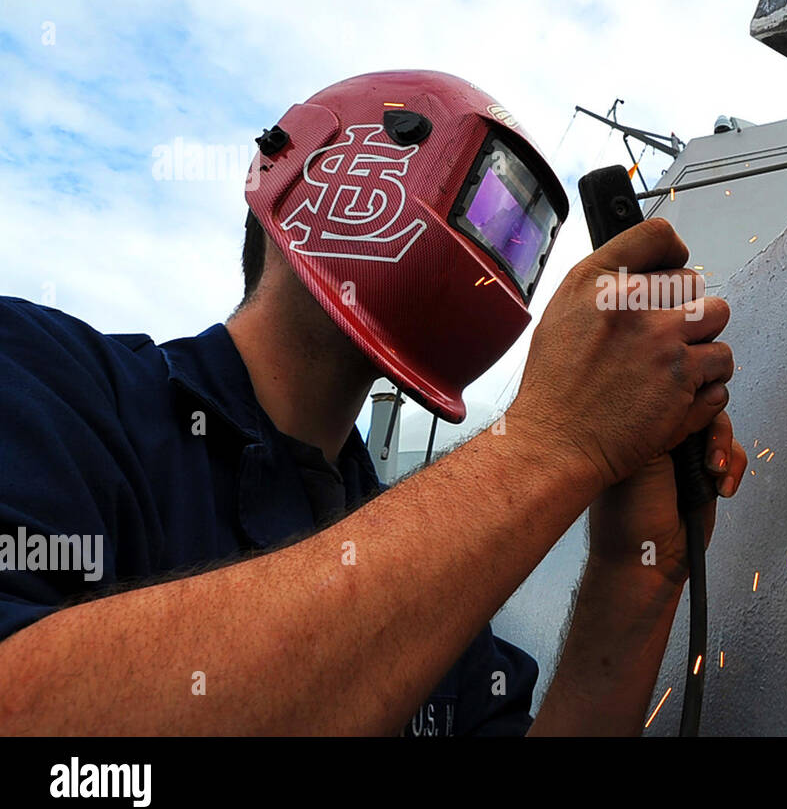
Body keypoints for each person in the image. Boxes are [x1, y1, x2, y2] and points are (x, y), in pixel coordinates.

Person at [0, 70, 745, 736]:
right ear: (311, 162)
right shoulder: (44, 380)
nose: (499, 246)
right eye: (487, 211)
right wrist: (546, 445)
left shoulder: (435, 589)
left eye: (520, 242)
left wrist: (636, 573)